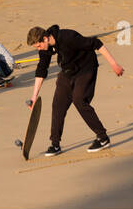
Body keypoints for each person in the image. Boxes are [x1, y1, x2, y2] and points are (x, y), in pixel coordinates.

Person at [26, 24, 124, 156]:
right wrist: (33, 97)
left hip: (86, 69)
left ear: (45, 38)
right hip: (67, 72)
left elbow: (96, 43)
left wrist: (114, 64)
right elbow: (41, 70)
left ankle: (103, 138)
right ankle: (55, 145)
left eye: (38, 46)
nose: (39, 49)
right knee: (58, 105)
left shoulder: (68, 37)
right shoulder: (45, 49)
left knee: (79, 100)